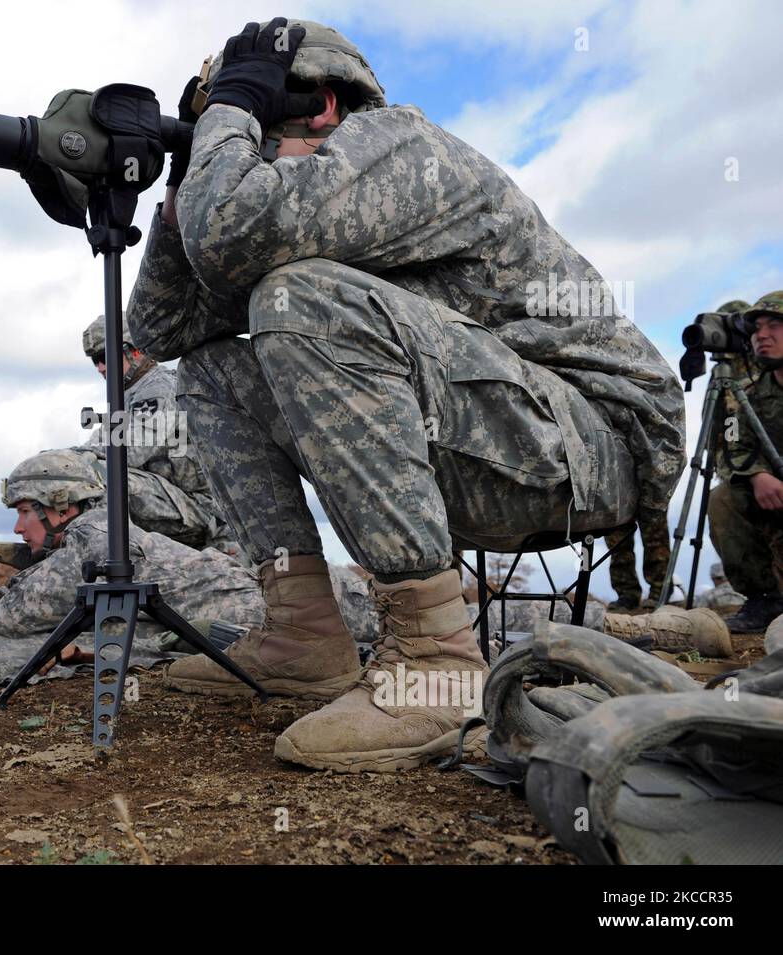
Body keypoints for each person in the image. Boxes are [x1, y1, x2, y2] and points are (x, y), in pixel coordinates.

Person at [127, 18, 684, 772]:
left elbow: (231, 228)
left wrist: (224, 117)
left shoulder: (394, 145)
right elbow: (164, 328)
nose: (236, 163)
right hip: (498, 436)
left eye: (251, 136)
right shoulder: (310, 206)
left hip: (591, 443)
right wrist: (184, 180)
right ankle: (302, 633)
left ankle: (435, 663)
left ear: (322, 107)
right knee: (212, 366)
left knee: (297, 298)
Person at [0, 448, 267, 648]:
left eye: (25, 512)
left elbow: (11, 619)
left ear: (63, 508)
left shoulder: (91, 542)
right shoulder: (103, 531)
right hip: (250, 613)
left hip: (252, 626)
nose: (18, 528)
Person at [80, 314, 235, 554]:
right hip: (175, 504)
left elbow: (129, 451)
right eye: (95, 362)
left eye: (104, 357)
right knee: (82, 475)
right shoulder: (128, 397)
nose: (100, 367)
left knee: (105, 478)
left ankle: (104, 556)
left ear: (137, 351)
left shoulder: (158, 389)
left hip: (201, 510)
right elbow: (97, 446)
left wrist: (73, 462)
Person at [709, 291, 783, 632]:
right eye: (756, 328)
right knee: (724, 498)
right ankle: (764, 600)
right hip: (776, 495)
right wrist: (757, 476)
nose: (761, 335)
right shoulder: (749, 394)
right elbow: (735, 446)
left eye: (775, 326)